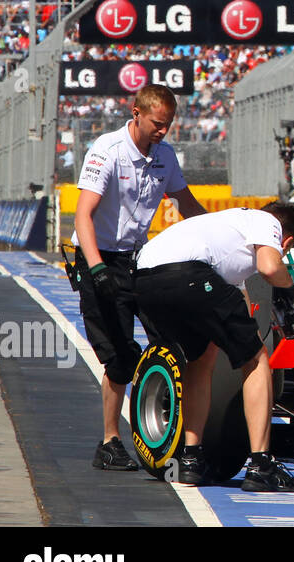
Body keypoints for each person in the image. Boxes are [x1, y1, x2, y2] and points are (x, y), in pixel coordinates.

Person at [72, 84, 209, 471]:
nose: (162, 131)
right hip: (99, 257)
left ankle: (172, 433)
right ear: (136, 112)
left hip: (139, 258)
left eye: (168, 125)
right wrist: (97, 269)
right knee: (118, 356)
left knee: (168, 342)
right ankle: (110, 441)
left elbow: (186, 203)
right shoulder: (107, 150)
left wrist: (221, 228)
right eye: (156, 124)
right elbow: (84, 215)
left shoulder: (165, 156)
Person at [134, 202, 294, 492]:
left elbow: (233, 299)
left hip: (144, 281)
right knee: (256, 360)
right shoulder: (267, 222)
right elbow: (270, 266)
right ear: (285, 240)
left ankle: (190, 458)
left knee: (200, 359)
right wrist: (289, 289)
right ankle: (260, 464)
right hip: (189, 276)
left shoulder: (226, 225)